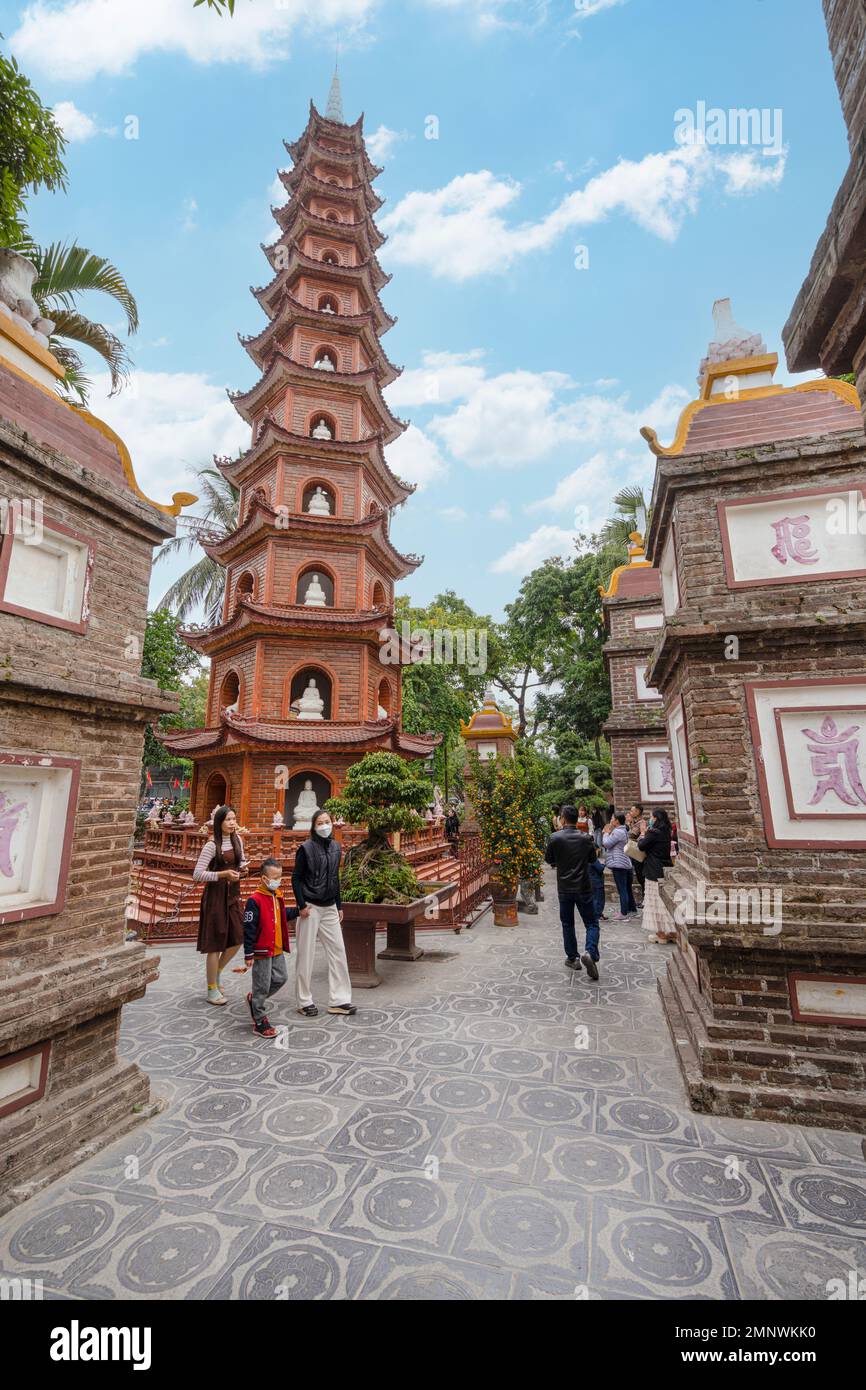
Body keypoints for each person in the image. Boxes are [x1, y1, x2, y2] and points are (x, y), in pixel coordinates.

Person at [292, 807, 356, 1017]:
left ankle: (339, 999)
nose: (324, 826)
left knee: (338, 952)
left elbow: (334, 878)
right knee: (306, 954)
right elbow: (296, 878)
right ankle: (304, 1000)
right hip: (310, 907)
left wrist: (339, 905)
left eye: (327, 821)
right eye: (319, 823)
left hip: (329, 906)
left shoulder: (336, 847)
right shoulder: (306, 848)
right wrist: (301, 905)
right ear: (313, 826)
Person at [193, 804, 250, 1005]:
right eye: (228, 819)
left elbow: (241, 861)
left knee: (238, 937)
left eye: (234, 819)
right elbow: (197, 874)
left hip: (233, 895)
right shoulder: (211, 845)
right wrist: (223, 874)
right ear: (219, 823)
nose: (232, 823)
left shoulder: (238, 840)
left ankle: (217, 972)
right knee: (215, 944)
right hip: (216, 896)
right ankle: (211, 989)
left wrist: (243, 870)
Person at [243, 858, 299, 1039]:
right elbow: (249, 927)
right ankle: (259, 1020)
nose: (278, 880)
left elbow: (282, 916)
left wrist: (299, 910)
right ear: (264, 878)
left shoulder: (277, 896)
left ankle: (255, 999)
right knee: (262, 984)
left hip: (276, 949)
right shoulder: (255, 900)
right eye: (274, 877)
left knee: (281, 978)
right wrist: (248, 952)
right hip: (261, 951)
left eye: (280, 876)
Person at [544, 804, 601, 980]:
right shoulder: (586, 838)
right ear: (577, 819)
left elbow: (549, 859)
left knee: (567, 924)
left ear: (562, 819)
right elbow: (593, 859)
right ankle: (590, 952)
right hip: (583, 886)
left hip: (565, 887)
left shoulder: (555, 838)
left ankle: (573, 958)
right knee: (591, 923)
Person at [638, 807, 676, 944]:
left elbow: (641, 846)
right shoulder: (667, 831)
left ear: (656, 818)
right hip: (665, 867)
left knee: (655, 902)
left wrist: (643, 832)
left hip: (653, 869)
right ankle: (672, 931)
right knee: (665, 901)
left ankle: (661, 933)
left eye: (651, 817)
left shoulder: (653, 832)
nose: (650, 819)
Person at [603, 812, 639, 919]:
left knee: (622, 889)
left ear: (617, 821)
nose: (611, 820)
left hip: (618, 863)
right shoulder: (624, 830)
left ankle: (623, 913)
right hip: (625, 862)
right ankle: (632, 909)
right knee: (627, 888)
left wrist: (606, 833)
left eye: (612, 818)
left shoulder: (617, 832)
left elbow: (606, 844)